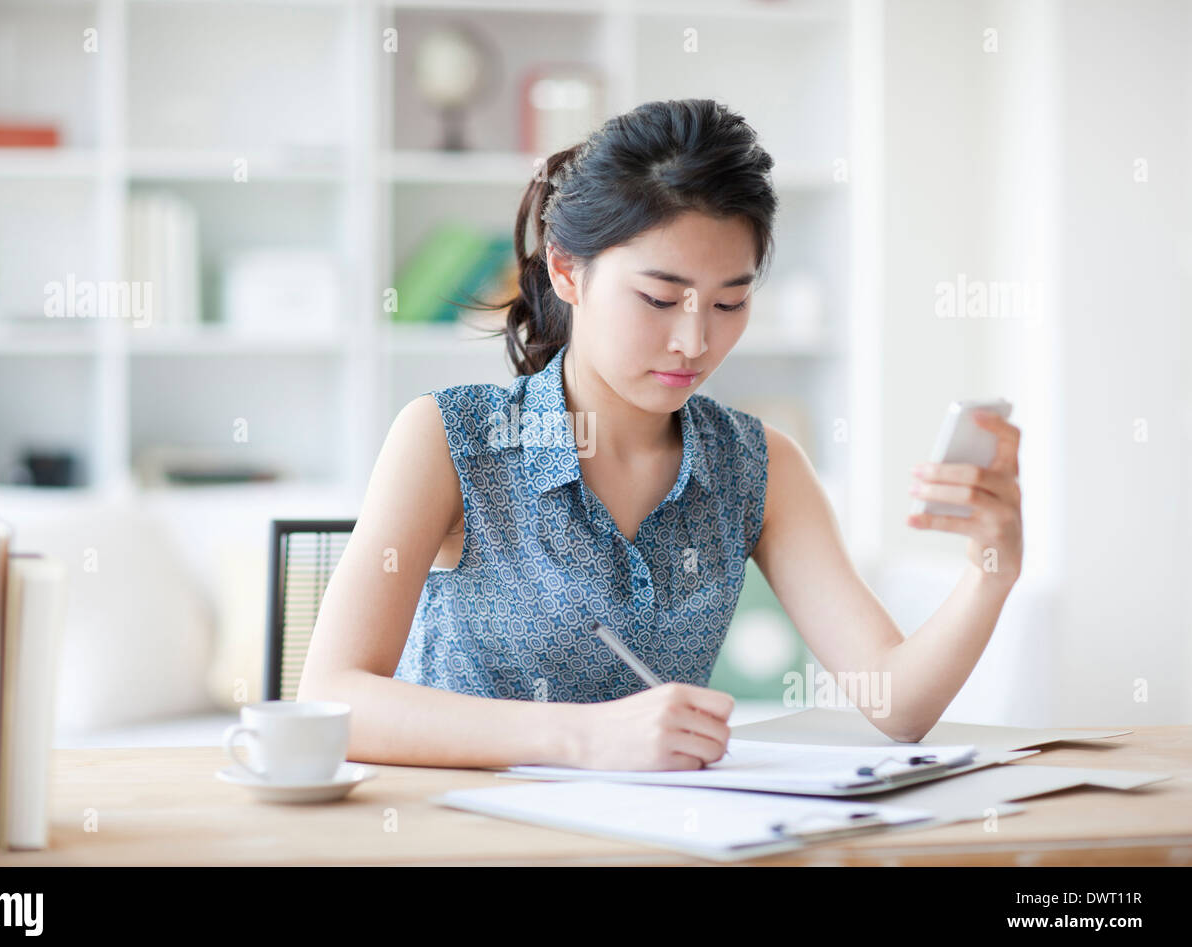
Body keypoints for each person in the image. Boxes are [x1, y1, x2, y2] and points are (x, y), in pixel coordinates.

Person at [297, 98, 1023, 770]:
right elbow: (331, 698)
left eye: (730, 302)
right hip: (469, 832)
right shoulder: (451, 438)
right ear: (566, 272)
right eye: (658, 298)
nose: (694, 340)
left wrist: (991, 570)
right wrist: (584, 738)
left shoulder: (759, 465)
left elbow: (896, 705)